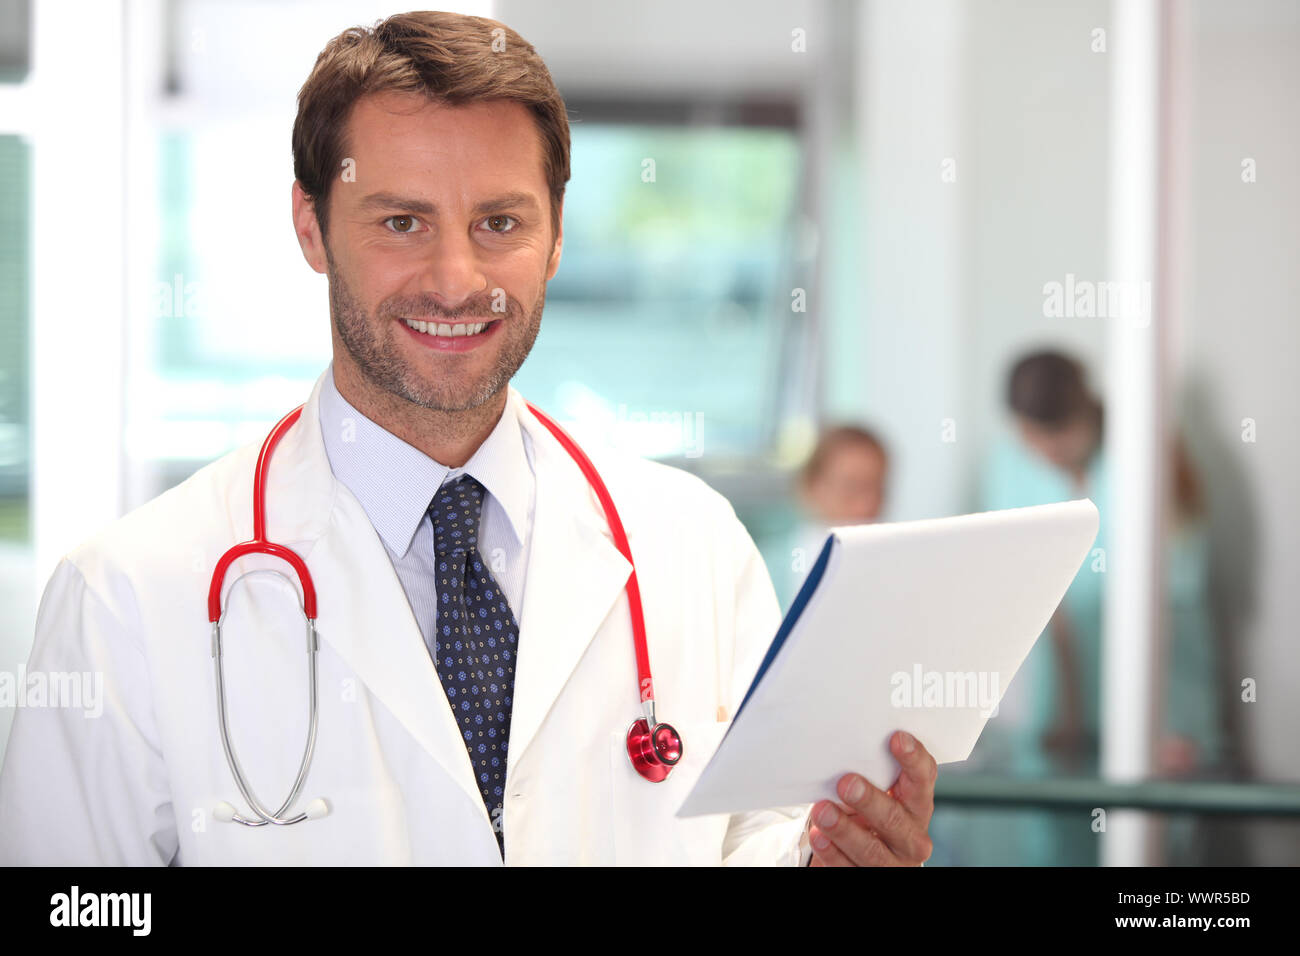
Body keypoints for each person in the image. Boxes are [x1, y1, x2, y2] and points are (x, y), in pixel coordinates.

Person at [0, 11, 937, 866]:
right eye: (401, 222)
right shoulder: (126, 597)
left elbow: (761, 845)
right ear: (312, 226)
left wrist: (832, 861)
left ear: (558, 234)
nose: (456, 280)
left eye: (500, 223)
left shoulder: (695, 548)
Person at [976, 349, 1221, 863]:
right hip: (1053, 724)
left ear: (1086, 415)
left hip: (1161, 711)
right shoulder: (1009, 462)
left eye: (1057, 434)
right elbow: (1024, 587)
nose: (1043, 450)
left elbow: (1174, 603)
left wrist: (1172, 724)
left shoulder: (1150, 456)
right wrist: (1053, 710)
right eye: (1030, 436)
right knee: (1054, 848)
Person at [776, 425, 889, 610]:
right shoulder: (768, 569)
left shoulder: (893, 565)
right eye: (851, 487)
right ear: (811, 487)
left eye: (877, 488)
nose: (868, 504)